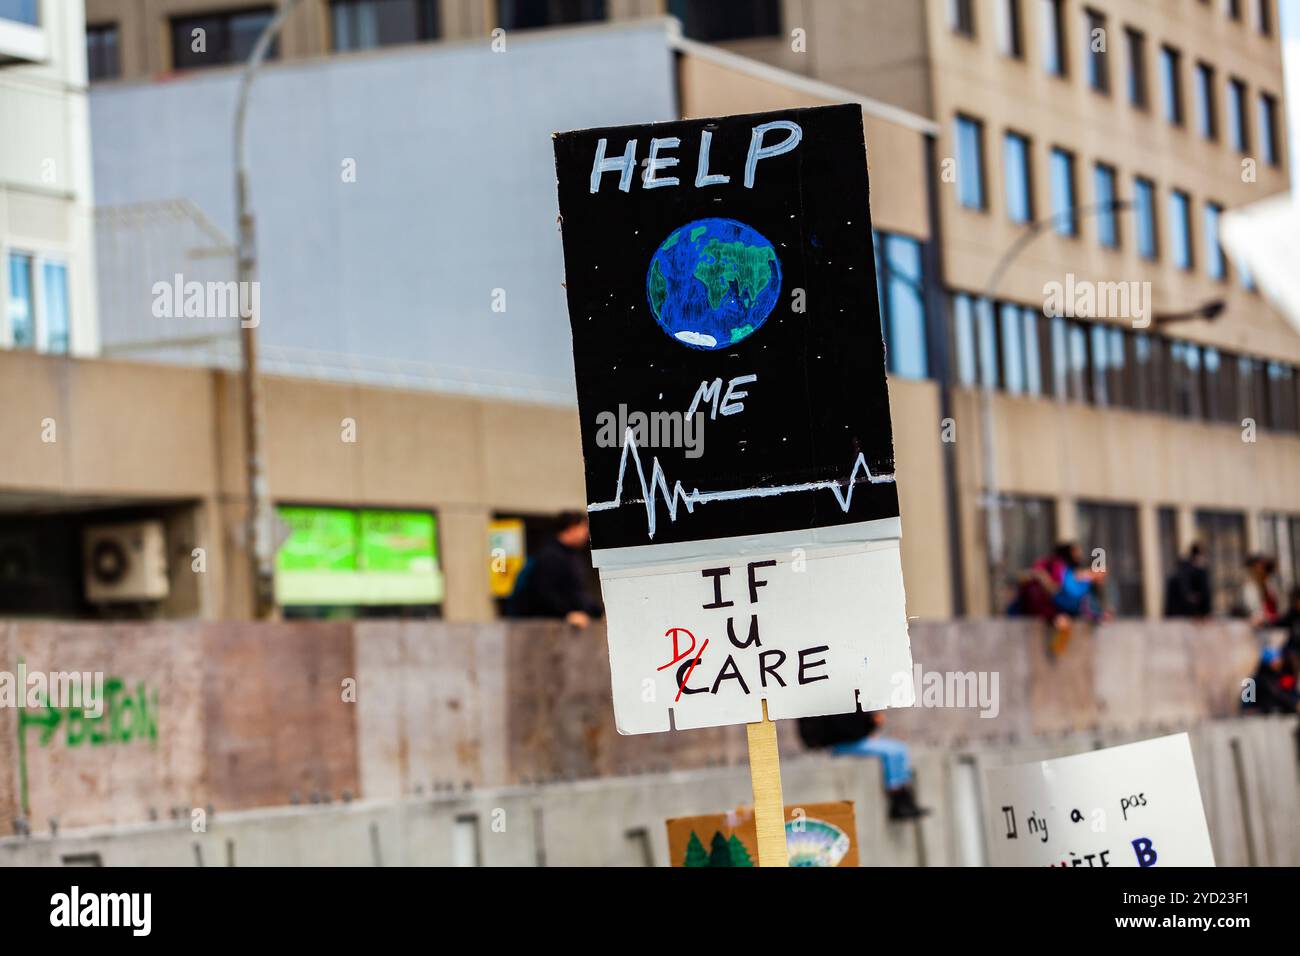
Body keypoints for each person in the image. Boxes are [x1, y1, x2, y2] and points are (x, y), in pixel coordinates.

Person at [797, 710, 929, 821]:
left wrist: (871, 722)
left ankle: (902, 798)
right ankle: (899, 799)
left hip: (844, 741)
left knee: (898, 749)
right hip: (842, 744)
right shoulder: (834, 701)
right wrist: (871, 723)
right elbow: (848, 729)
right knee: (896, 751)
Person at [505, 511, 602, 628]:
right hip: (539, 625)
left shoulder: (574, 556)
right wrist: (567, 614)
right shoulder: (549, 555)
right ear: (571, 527)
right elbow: (544, 591)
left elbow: (579, 592)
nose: (586, 533)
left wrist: (598, 612)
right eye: (583, 527)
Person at [1242, 646, 1300, 716]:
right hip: (1263, 719)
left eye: (1278, 660)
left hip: (1284, 715)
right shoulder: (1254, 682)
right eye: (1275, 661)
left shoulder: (1283, 678)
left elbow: (1292, 693)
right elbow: (1246, 707)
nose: (1278, 663)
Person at [1163, 543, 1213, 618]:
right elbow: (1186, 588)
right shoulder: (1191, 569)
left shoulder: (1189, 568)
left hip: (1185, 610)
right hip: (1186, 610)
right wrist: (1191, 597)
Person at [1238, 554, 1280, 630]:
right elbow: (1253, 610)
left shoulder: (1270, 583)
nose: (1261, 570)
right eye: (1258, 567)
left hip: (1273, 623)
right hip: (1261, 626)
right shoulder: (1251, 587)